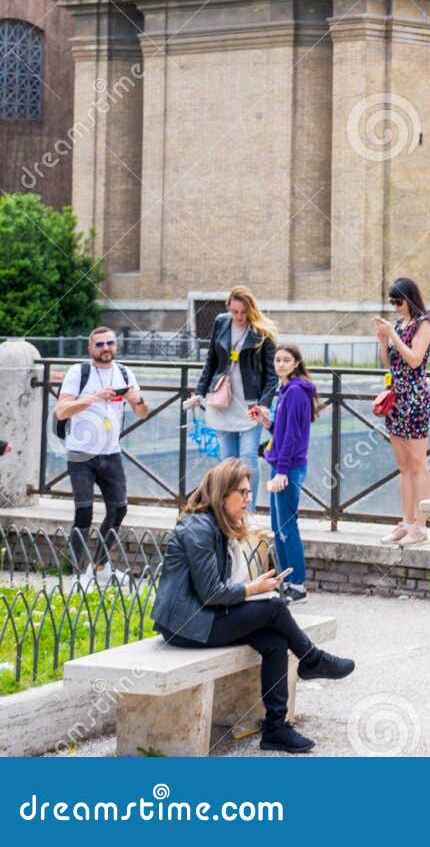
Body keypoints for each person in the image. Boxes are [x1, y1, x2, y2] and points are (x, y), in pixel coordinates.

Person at [153, 458, 353, 753]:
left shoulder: (216, 524)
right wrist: (253, 589)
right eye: (242, 493)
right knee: (273, 608)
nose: (248, 499)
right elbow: (211, 593)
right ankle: (311, 659)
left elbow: (218, 589)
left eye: (249, 492)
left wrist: (254, 588)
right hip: (185, 624)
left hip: (205, 616)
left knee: (274, 641)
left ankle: (275, 728)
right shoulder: (199, 528)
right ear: (222, 495)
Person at [55, 326, 149, 591]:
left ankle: (100, 568)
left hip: (111, 453)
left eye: (110, 343)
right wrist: (94, 398)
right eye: (100, 345)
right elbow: (62, 410)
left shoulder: (123, 372)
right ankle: (77, 576)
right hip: (81, 454)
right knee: (83, 511)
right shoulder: (79, 372)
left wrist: (136, 398)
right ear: (90, 348)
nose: (106, 348)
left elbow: (143, 413)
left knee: (119, 508)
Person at [186, 288, 278, 507]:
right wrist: (200, 392)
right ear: (228, 308)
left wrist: (264, 404)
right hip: (223, 401)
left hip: (250, 405)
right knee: (228, 462)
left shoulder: (261, 331)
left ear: (251, 310)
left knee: (247, 459)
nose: (239, 316)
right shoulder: (221, 322)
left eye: (244, 312)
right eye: (235, 311)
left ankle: (249, 512)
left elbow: (271, 375)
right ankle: (231, 510)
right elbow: (211, 362)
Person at [373, 277, 430, 545]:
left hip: (414, 397)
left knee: (418, 464)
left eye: (399, 302)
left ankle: (421, 526)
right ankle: (407, 521)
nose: (396, 307)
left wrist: (392, 335)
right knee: (403, 466)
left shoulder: (425, 324)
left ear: (410, 299)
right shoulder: (399, 324)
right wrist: (383, 341)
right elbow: (390, 363)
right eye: (392, 303)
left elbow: (414, 359)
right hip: (395, 397)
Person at [250, 345, 319, 604]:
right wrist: (266, 422)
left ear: (295, 363)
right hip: (282, 464)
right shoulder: (287, 390)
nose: (280, 364)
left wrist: (281, 472)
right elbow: (282, 431)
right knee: (279, 528)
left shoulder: (295, 392)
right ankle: (286, 581)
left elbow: (291, 437)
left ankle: (297, 585)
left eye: (285, 360)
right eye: (277, 360)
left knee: (288, 528)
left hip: (288, 467)